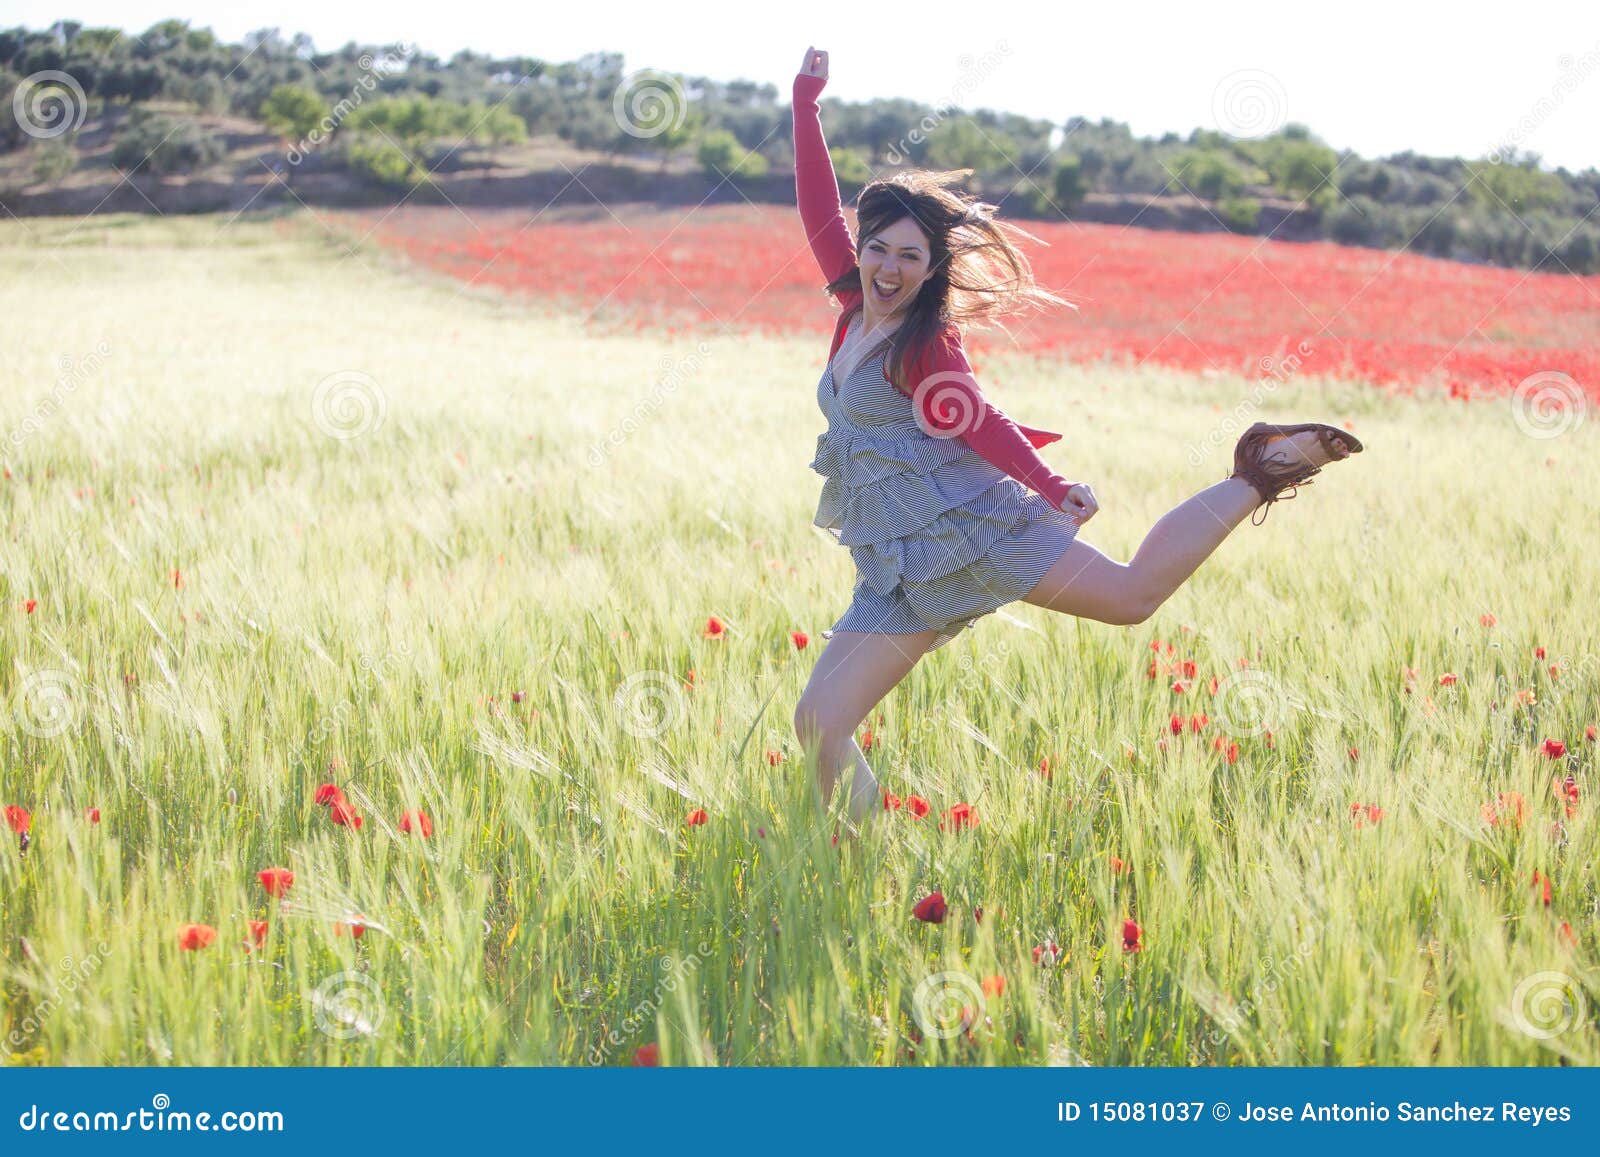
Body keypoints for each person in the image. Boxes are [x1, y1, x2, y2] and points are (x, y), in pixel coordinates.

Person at [788, 46, 1363, 823]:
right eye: (878, 248)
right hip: (897, 571)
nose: (888, 266)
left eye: (909, 256)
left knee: (1131, 597)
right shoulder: (853, 303)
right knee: (818, 721)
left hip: (971, 535)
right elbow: (818, 209)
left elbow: (982, 422)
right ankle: (848, 860)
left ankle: (1258, 470)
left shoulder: (924, 344)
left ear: (931, 270)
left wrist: (1052, 487)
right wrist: (805, 101)